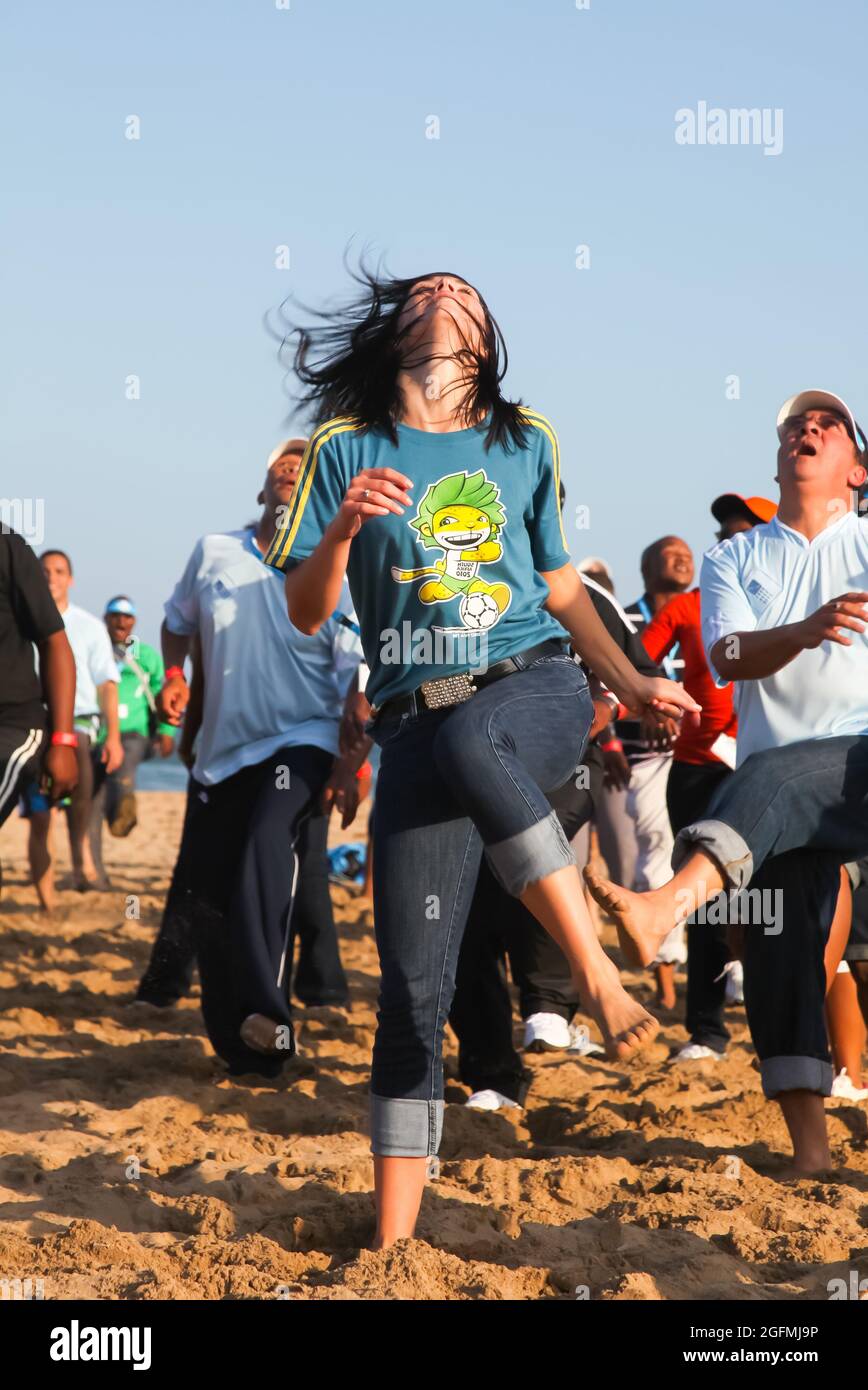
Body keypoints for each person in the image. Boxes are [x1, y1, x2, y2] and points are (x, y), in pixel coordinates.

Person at [264, 265, 698, 1244]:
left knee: (477, 732)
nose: (447, 291)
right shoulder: (346, 445)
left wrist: (629, 685)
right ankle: (392, 1242)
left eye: (467, 290)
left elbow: (555, 586)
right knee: (414, 989)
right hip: (411, 722)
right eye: (426, 288)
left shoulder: (524, 438)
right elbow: (303, 609)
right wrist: (341, 525)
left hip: (533, 686)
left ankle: (591, 969)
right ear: (398, 326)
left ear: (486, 339)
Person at [585, 388, 868, 1172]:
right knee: (782, 946)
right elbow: (732, 655)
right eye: (794, 426)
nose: (807, 430)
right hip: (780, 798)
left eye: (828, 424)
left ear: (857, 469)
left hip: (859, 765)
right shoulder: (735, 557)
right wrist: (806, 630)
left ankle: (665, 906)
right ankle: (813, 1156)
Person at [155, 439, 367, 1076]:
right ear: (260, 489)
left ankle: (271, 1011)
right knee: (212, 889)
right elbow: (176, 622)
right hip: (221, 753)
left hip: (303, 742)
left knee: (267, 846)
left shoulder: (341, 566)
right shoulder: (214, 551)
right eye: (281, 461)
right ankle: (243, 1045)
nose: (290, 465)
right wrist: (173, 676)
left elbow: (357, 674)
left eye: (304, 464)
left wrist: (351, 763)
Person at [641, 492, 777, 1061]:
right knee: (707, 903)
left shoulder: (793, 603)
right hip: (700, 769)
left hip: (775, 765)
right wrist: (655, 704)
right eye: (724, 532)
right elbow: (640, 661)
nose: (728, 539)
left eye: (742, 530)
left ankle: (787, 1033)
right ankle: (706, 1033)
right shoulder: (689, 607)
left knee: (773, 900)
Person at [613, 536, 695, 1008]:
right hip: (644, 758)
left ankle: (729, 969)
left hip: (705, 755)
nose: (683, 557)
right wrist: (644, 711)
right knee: (660, 856)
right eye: (670, 551)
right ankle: (664, 975)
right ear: (646, 567)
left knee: (721, 856)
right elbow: (600, 682)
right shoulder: (627, 620)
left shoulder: (709, 614)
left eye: (687, 552)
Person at [26, 551, 122, 905]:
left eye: (59, 571)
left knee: (77, 748)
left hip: (81, 721)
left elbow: (107, 685)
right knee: (39, 818)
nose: (51, 577)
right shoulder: (21, 623)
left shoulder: (89, 626)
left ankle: (80, 852)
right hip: (34, 722)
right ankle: (46, 900)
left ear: (71, 580)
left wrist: (114, 736)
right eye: (44, 571)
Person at [0, 528, 78, 894]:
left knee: (45, 820)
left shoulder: (7, 545)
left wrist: (63, 741)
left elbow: (53, 642)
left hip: (13, 727)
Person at [88, 596, 176, 885]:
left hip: (134, 732)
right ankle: (95, 871)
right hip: (96, 733)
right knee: (91, 802)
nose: (121, 622)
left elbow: (162, 693)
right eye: (115, 615)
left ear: (134, 622)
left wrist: (167, 732)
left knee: (122, 760)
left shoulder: (146, 655)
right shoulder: (95, 650)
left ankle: (121, 808)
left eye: (127, 617)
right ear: (105, 618)